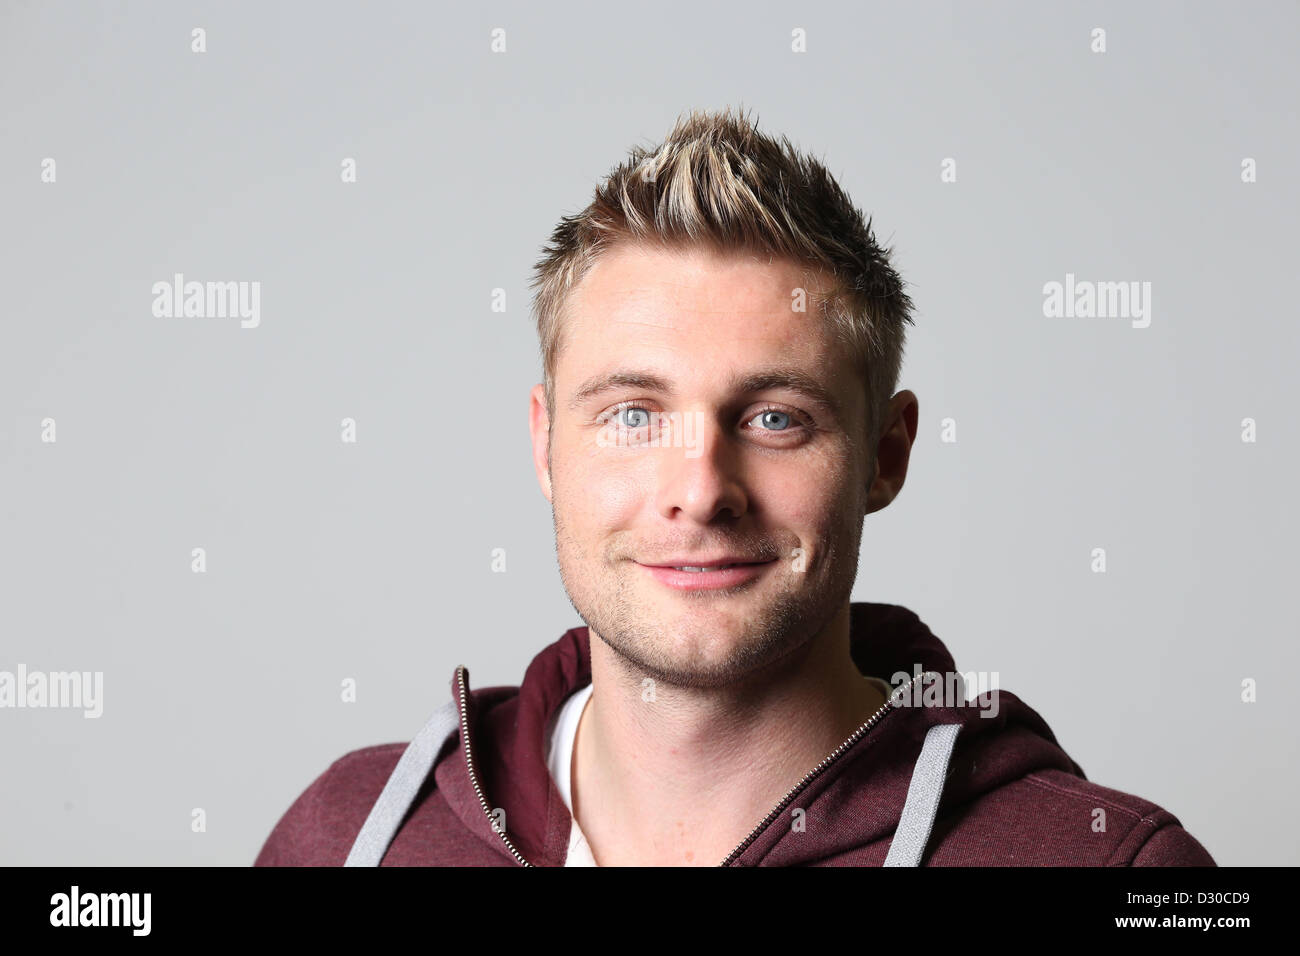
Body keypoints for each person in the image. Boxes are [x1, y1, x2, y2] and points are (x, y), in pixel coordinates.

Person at [254, 106, 1215, 867]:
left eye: (774, 419)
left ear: (887, 453)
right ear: (547, 446)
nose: (701, 491)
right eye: (633, 414)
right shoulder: (349, 838)